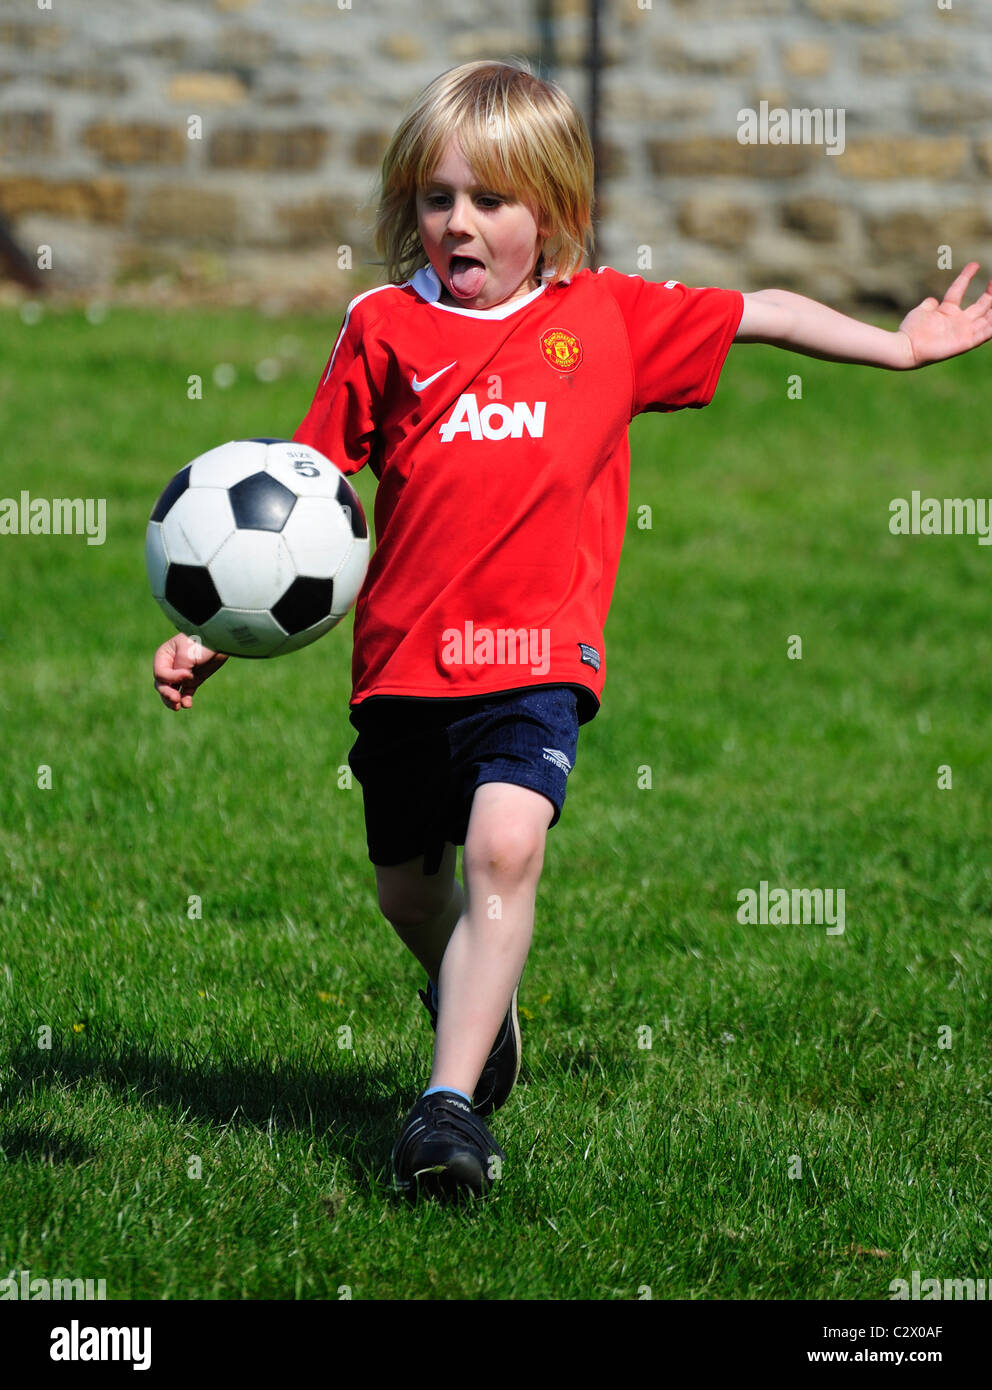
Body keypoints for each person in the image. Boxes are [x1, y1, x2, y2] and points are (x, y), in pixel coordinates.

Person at [153, 60, 992, 1202]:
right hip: (402, 665)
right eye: (437, 196)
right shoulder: (382, 328)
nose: (457, 222)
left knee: (504, 846)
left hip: (535, 658)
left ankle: (445, 1113)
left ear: (553, 212)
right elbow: (300, 498)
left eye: (490, 200)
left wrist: (897, 347)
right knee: (409, 890)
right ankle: (474, 1005)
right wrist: (212, 632)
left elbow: (762, 312)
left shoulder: (605, 318)